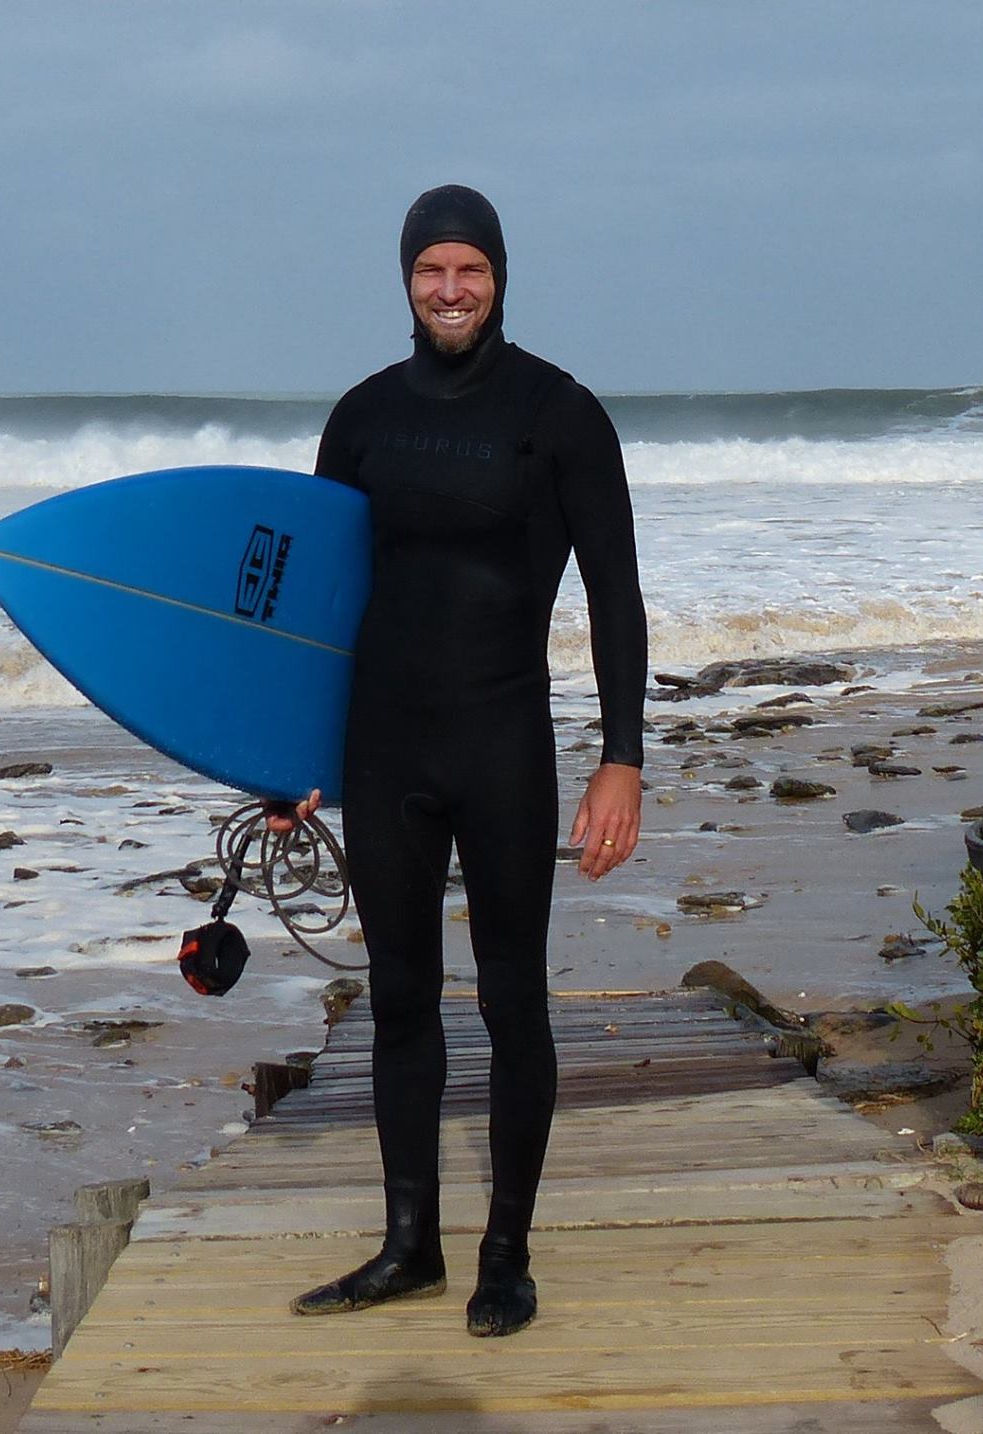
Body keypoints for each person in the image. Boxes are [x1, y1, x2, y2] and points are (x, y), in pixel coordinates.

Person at [275, 184, 647, 1338]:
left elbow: (615, 599)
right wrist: (286, 755)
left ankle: (504, 1255)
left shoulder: (558, 412)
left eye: (469, 271)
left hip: (498, 740)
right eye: (431, 270)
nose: (450, 290)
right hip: (382, 745)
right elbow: (315, 607)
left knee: (510, 999)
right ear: (404, 280)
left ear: (497, 278)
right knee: (395, 997)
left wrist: (620, 759)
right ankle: (407, 1249)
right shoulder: (361, 419)